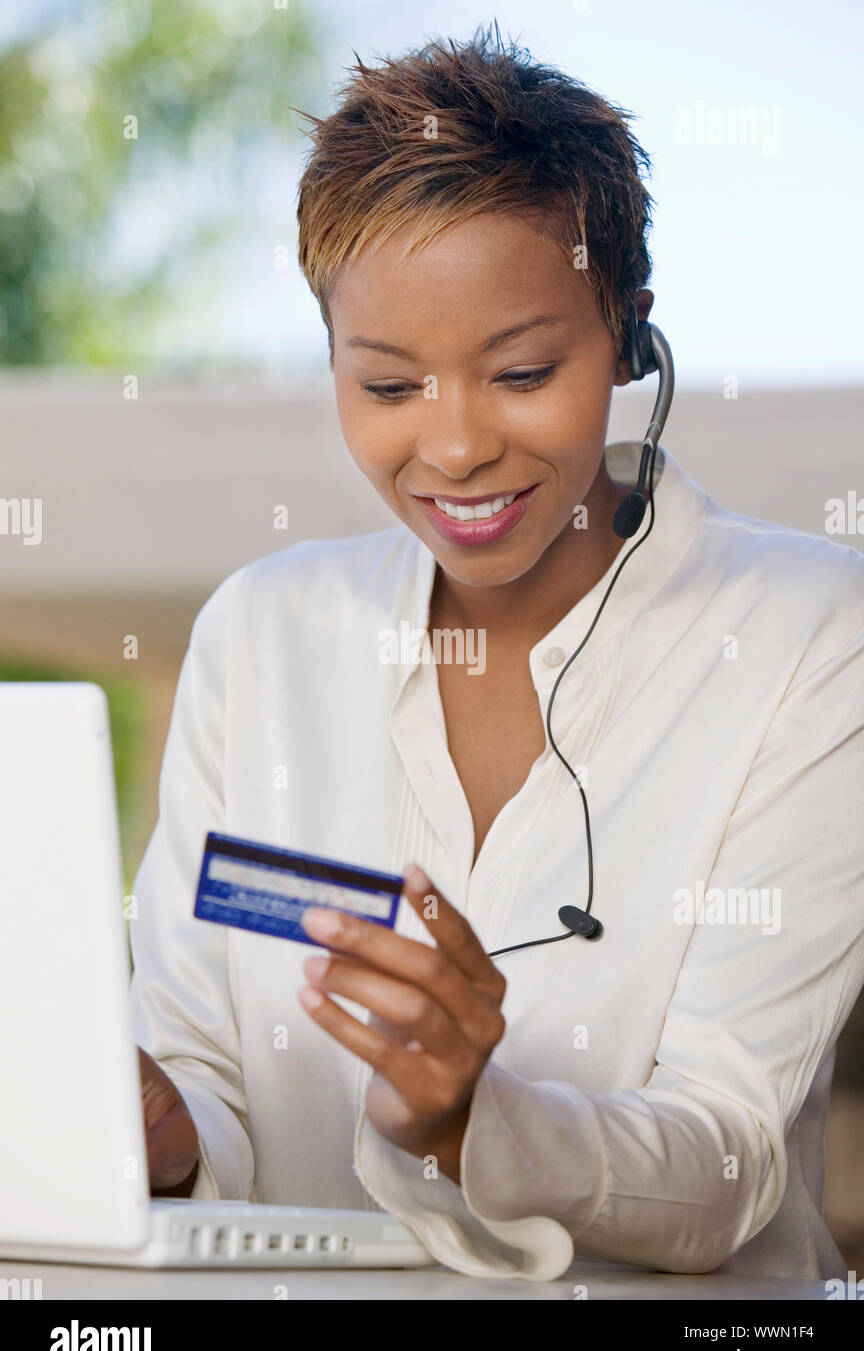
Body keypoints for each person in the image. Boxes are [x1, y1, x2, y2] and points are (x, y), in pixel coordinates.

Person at [131, 28, 864, 1282]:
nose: (457, 446)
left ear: (630, 337)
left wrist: (477, 1117)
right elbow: (199, 1066)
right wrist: (148, 1122)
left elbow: (728, 1155)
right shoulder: (262, 636)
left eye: (523, 371)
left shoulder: (810, 630)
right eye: (388, 385)